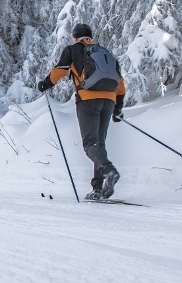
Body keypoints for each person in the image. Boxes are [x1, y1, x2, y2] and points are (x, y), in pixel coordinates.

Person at [38, 23, 126, 200]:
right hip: (109, 99)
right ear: (90, 37)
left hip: (87, 99)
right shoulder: (104, 53)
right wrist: (117, 107)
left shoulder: (73, 50)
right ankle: (98, 189)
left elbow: (59, 71)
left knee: (90, 144)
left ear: (75, 37)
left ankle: (109, 170)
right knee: (99, 144)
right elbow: (120, 82)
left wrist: (45, 84)